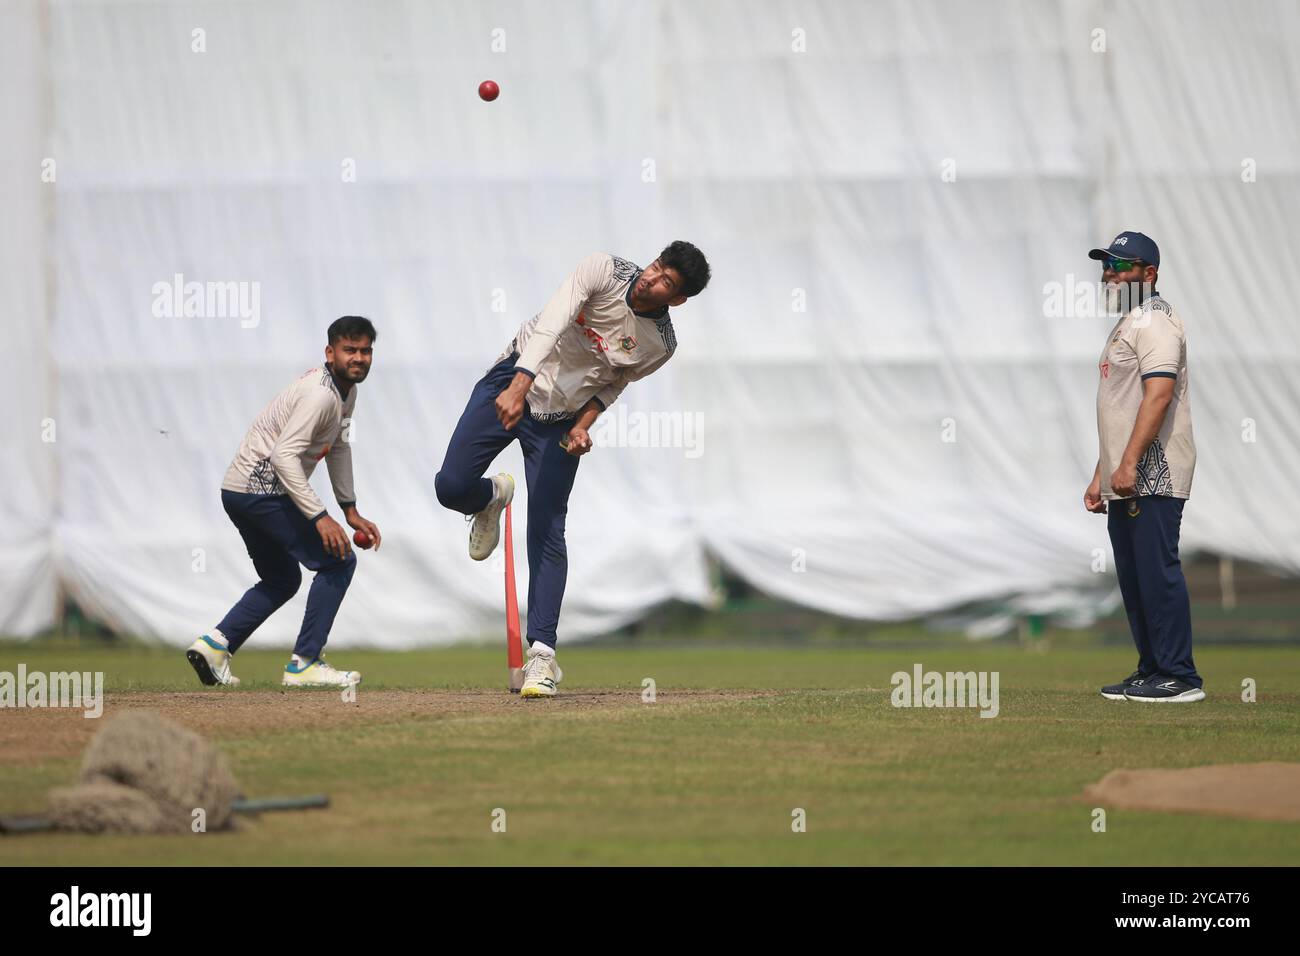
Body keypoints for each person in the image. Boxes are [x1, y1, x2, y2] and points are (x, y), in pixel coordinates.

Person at [434, 242, 711, 697]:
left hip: (559, 422)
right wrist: (519, 385)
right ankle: (489, 498)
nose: (652, 277)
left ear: (677, 299)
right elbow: (553, 321)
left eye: (666, 281)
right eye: (657, 265)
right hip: (513, 378)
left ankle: (542, 655)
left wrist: (583, 427)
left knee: (545, 530)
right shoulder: (603, 269)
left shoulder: (660, 344)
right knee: (449, 486)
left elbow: (614, 382)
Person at [186, 316, 381, 688]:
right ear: (330, 352)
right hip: (260, 490)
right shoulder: (321, 394)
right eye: (349, 350)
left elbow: (338, 446)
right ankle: (305, 662)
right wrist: (321, 517)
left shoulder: (345, 392)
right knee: (338, 561)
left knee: (281, 579)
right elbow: (283, 457)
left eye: (365, 350)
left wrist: (350, 510)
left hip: (238, 492)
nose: (358, 357)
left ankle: (215, 645)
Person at [1084, 232, 1204, 703]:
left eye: (1120, 265)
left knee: (1156, 570)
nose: (1109, 274)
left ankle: (1180, 675)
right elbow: (1122, 406)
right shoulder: (1128, 322)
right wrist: (1103, 471)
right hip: (1128, 474)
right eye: (1106, 266)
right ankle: (1151, 668)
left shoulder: (1154, 321)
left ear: (1149, 273)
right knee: (1133, 575)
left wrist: (1129, 462)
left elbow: (1156, 397)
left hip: (1154, 472)